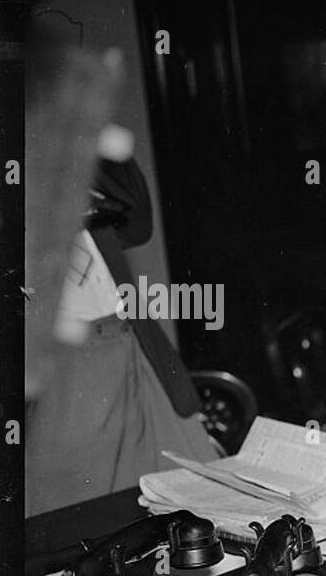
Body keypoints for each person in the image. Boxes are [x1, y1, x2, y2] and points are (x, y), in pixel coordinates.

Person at [25, 135, 218, 517]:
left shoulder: (81, 174)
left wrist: (95, 137)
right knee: (78, 515)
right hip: (70, 367)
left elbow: (138, 223)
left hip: (134, 350)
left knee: (197, 497)